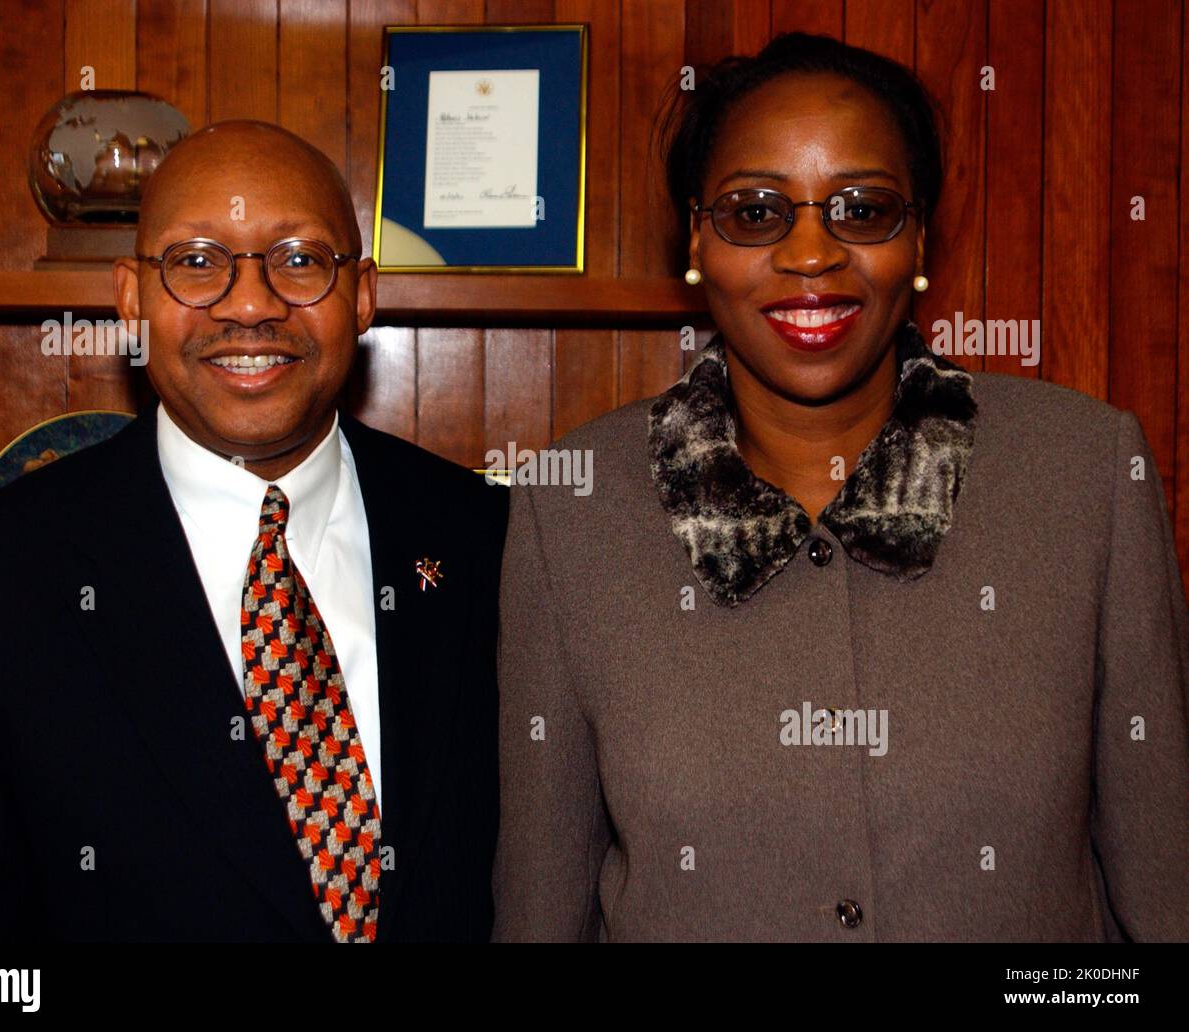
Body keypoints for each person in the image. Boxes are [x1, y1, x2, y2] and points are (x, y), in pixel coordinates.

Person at [492, 33, 1189, 942]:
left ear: (920, 238)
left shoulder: (1085, 473)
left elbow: (1164, 903)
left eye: (863, 209)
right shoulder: (570, 507)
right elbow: (541, 912)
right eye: (754, 211)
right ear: (697, 237)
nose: (812, 253)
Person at [0, 121, 506, 943]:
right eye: (196, 262)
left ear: (361, 294)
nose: (250, 304)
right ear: (129, 298)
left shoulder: (495, 545)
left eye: (298, 260)